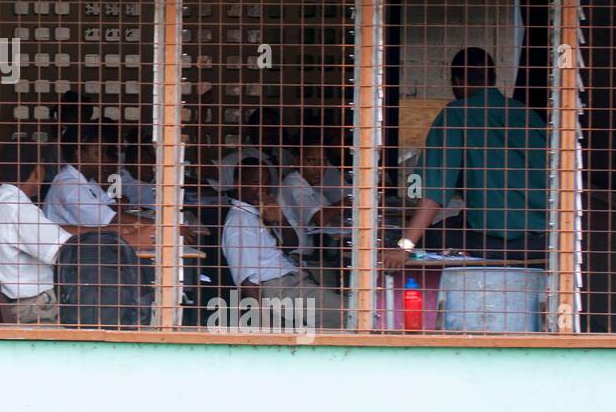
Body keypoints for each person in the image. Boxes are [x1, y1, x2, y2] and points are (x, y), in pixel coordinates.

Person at [382, 47, 549, 269]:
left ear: (457, 81)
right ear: (492, 78)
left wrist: (405, 246)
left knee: (429, 237)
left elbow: (433, 190)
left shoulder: (456, 114)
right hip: (546, 239)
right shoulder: (526, 114)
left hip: (496, 242)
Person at [0, 143, 149, 323]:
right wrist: (129, 239)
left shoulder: (0, 201)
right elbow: (70, 251)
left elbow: (59, 233)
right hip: (39, 306)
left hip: (29, 300)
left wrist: (118, 232)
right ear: (38, 171)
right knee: (115, 297)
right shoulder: (17, 209)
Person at [221, 160, 344, 330]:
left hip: (292, 281)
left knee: (343, 308)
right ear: (238, 184)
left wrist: (281, 219)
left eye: (266, 183)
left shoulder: (256, 212)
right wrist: (265, 321)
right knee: (350, 312)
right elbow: (247, 280)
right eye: (256, 183)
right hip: (279, 289)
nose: (262, 189)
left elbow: (290, 245)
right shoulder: (240, 223)